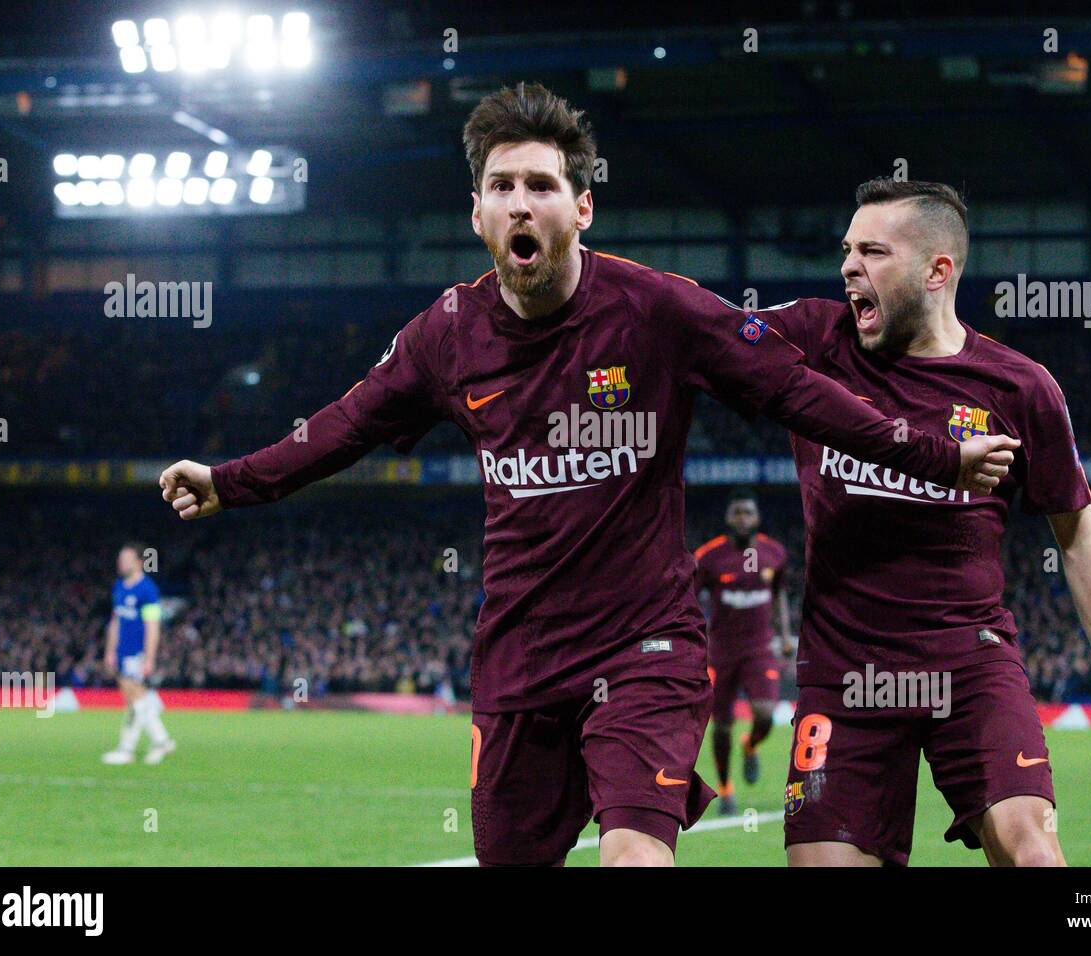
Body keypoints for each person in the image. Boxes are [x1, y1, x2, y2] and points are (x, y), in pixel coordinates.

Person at [158, 85, 1016, 867]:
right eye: (502, 187)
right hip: (519, 662)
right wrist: (233, 481)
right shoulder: (446, 335)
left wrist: (936, 452)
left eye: (540, 185)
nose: (520, 203)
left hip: (645, 648)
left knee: (635, 857)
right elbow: (343, 427)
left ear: (582, 207)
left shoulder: (658, 309)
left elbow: (798, 392)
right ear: (477, 214)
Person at [764, 179, 1091, 866]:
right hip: (843, 673)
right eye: (847, 250)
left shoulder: (1019, 386)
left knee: (1030, 850)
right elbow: (700, 331)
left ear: (938, 270)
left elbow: (1079, 534)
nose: (849, 266)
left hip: (969, 663)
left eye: (874, 251)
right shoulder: (815, 340)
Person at [693, 489, 791, 815]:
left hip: (760, 647)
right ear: (727, 518)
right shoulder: (708, 557)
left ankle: (750, 746)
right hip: (721, 651)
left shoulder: (774, 553)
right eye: (736, 513)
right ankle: (726, 790)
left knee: (764, 715)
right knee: (721, 726)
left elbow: (778, 594)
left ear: (757, 517)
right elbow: (690, 600)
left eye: (747, 513)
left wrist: (786, 634)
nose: (742, 519)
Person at [101, 543, 175, 765]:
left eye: (126, 558)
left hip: (137, 653)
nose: (121, 562)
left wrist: (149, 658)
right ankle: (157, 742)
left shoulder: (147, 589)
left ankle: (133, 748)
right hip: (122, 652)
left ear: (139, 562)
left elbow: (153, 625)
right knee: (134, 699)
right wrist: (110, 651)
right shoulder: (119, 587)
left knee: (135, 697)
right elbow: (116, 621)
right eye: (120, 558)